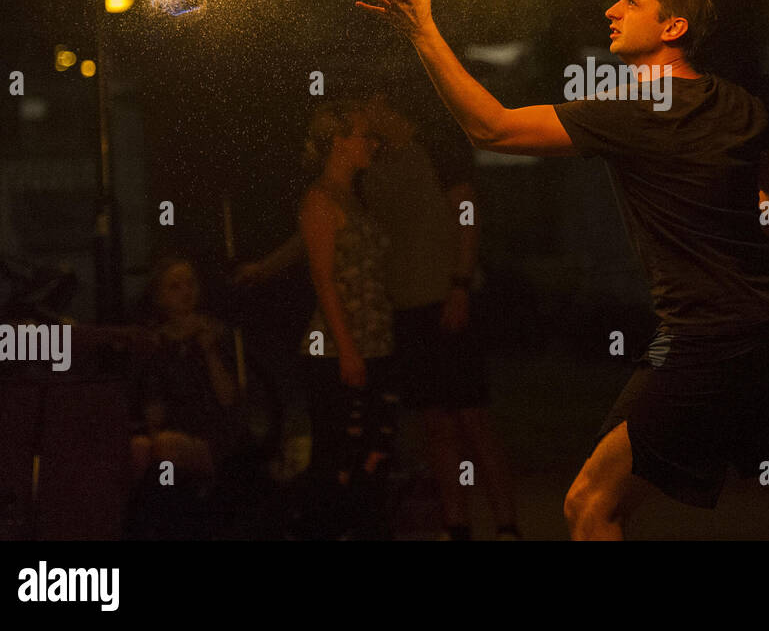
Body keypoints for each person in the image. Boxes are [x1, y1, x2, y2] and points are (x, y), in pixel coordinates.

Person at [357, 0, 769, 540]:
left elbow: (494, 128)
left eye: (632, 2)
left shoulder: (635, 112)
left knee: (591, 505)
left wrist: (423, 33)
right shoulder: (739, 105)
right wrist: (746, 231)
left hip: (703, 340)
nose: (611, 10)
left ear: (674, 29)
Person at [238, 93, 522, 540]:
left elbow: (466, 212)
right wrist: (265, 267)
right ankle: (455, 524)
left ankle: (506, 524)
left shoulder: (432, 149)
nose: (367, 133)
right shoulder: (364, 176)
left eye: (366, 114)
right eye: (357, 128)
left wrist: (461, 283)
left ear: (382, 101)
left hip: (438, 299)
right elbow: (318, 241)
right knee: (430, 421)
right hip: (399, 312)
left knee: (471, 416)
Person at [297, 100, 396, 537]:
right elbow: (324, 280)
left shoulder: (352, 196)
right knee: (340, 457)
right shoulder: (319, 200)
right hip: (339, 349)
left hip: (374, 340)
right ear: (338, 143)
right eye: (362, 135)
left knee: (374, 452)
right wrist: (348, 351)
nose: (372, 143)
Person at [130, 256, 239, 485]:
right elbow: (154, 407)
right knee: (139, 447)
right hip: (173, 427)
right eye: (175, 287)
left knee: (166, 444)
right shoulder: (156, 342)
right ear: (160, 297)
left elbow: (228, 399)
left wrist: (210, 353)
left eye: (190, 284)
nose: (185, 292)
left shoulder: (215, 332)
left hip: (213, 432)